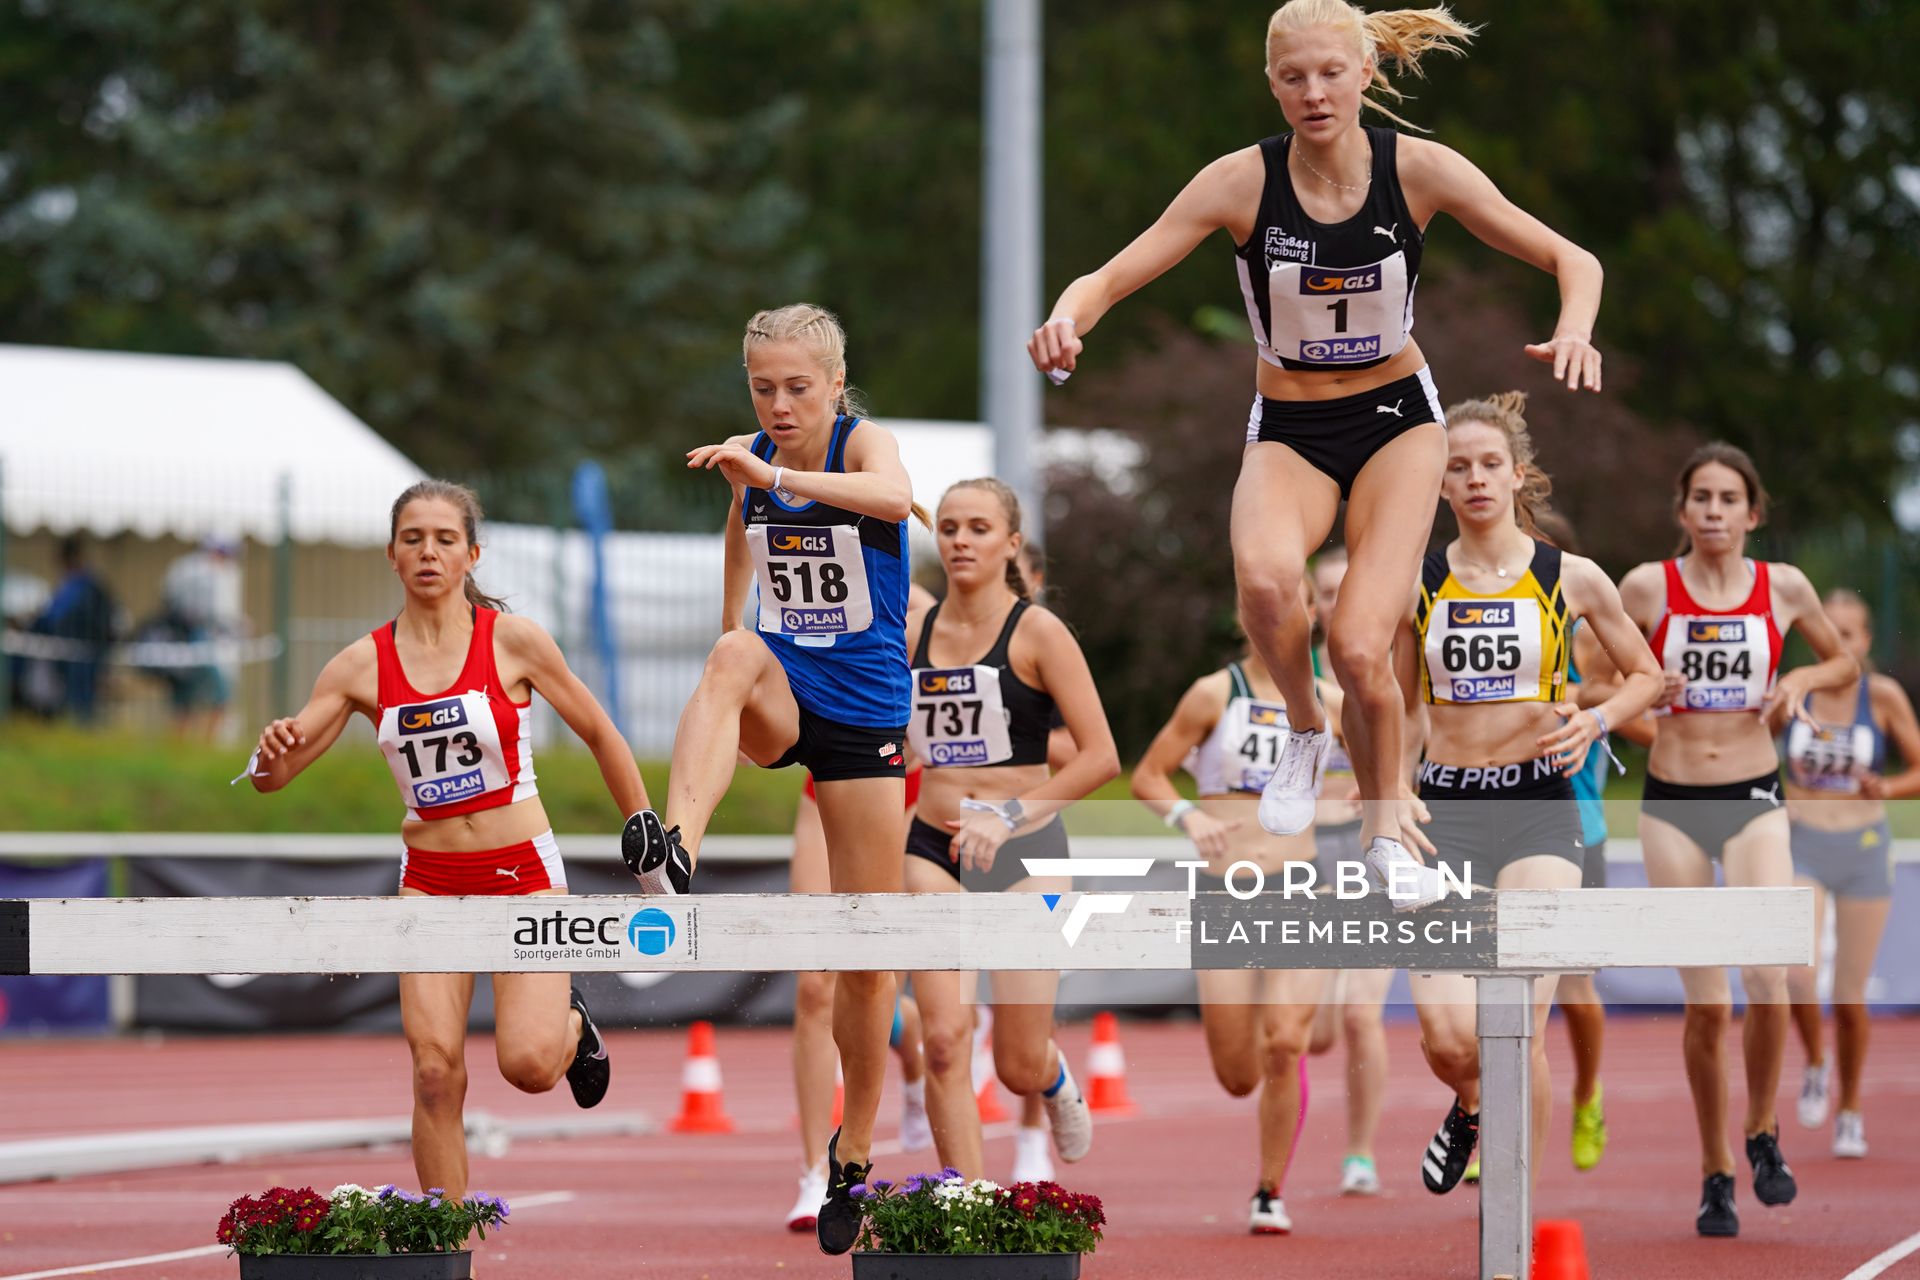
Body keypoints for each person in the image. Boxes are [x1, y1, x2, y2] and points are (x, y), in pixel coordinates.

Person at [1029, 0, 1604, 909]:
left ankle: (1386, 827)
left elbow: (1575, 259)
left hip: (1398, 424)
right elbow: (1111, 274)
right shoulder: (1239, 183)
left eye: (1331, 73)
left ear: (1366, 72)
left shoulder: (1416, 171)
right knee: (1262, 583)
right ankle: (1305, 724)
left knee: (1362, 646)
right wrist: (1068, 318)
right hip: (1291, 424)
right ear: (1271, 86)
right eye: (1293, 77)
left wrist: (1575, 330)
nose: (1313, 93)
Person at [243, 479, 643, 1202]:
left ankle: (572, 1025)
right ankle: (446, 1247)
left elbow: (600, 732)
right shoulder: (360, 665)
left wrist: (645, 826)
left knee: (525, 1067)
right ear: (391, 556)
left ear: (471, 555)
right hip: (430, 882)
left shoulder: (513, 641)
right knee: (434, 1072)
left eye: (445, 539)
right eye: (413, 539)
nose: (428, 552)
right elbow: (280, 774)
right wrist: (270, 757)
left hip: (522, 875)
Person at [624, 303, 920, 1256]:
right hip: (788, 691)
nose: (779, 404)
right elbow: (737, 533)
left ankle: (856, 1149)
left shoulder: (860, 442)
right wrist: (731, 619)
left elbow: (893, 496)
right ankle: (674, 852)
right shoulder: (746, 463)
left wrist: (778, 472)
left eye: (797, 387)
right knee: (730, 655)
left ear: (835, 383)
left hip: (866, 715)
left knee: (868, 963)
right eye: (763, 389)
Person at [1395, 392, 1660, 1200]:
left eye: (1488, 464)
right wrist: (1386, 795)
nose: (1475, 479)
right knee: (1446, 1035)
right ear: (1438, 484)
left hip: (1540, 808)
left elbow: (1648, 674)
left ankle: (1518, 1215)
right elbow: (1402, 712)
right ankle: (1472, 1102)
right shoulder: (1415, 580)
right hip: (1444, 811)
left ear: (1518, 474)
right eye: (1457, 468)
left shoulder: (1571, 577)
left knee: (1521, 1026)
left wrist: (1597, 717)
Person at [1617, 441, 1858, 1238]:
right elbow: (1583, 675)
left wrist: (1798, 680)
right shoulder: (1649, 587)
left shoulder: (1781, 587)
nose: (1715, 512)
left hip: (1754, 794)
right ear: (1682, 512)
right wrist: (1645, 692)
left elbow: (1845, 661)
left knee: (1769, 972)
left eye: (1729, 499)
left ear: (1753, 514)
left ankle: (1762, 1132)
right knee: (1707, 1003)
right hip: (1673, 802)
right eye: (1702, 498)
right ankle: (1715, 1169)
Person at [904, 478, 1120, 1190]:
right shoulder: (914, 632)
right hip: (934, 847)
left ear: (1011, 544)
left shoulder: (1037, 632)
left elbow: (1100, 758)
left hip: (1025, 851)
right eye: (950, 528)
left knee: (1016, 1066)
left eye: (978, 528)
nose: (961, 540)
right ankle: (964, 1196)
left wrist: (1008, 816)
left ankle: (1054, 1077)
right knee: (942, 1041)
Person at [1133, 637, 1325, 1233]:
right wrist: (1188, 815)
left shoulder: (1332, 702)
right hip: (1227, 895)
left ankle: (1269, 1190)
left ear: (1311, 614)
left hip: (1304, 890)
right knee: (1239, 1073)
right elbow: (1149, 775)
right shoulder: (1214, 694)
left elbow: (1388, 761)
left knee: (1285, 1041)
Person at [784, 578, 939, 1234]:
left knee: (870, 971)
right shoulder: (811, 580)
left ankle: (908, 1057)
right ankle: (814, 1173)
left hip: (905, 794)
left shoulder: (920, 606)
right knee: (815, 985)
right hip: (827, 792)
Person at [1783, 589, 1919, 1160]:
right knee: (1796, 973)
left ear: (1865, 641)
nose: (1839, 642)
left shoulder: (1881, 695)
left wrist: (1883, 787)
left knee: (1850, 996)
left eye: (1850, 633)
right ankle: (1815, 1062)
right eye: (1828, 631)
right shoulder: (1795, 688)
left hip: (1863, 847)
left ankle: (1851, 1109)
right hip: (1800, 844)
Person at [1303, 545, 1391, 1196]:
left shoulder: (1385, 666)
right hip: (1304, 859)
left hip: (1368, 852)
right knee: (1318, 1034)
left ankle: (1359, 1153)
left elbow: (1419, 747)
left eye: (1346, 591)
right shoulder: (1282, 674)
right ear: (1309, 606)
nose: (1336, 604)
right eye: (1325, 594)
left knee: (1363, 1014)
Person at [161, 535, 245, 740]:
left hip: (178, 637)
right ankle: (208, 741)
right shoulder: (209, 573)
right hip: (201, 639)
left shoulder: (182, 568)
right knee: (221, 694)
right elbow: (215, 613)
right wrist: (237, 627)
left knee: (184, 698)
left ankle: (179, 743)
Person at [30, 535, 118, 722]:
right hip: (87, 649)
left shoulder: (79, 585)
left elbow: (53, 617)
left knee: (81, 700)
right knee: (82, 699)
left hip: (79, 650)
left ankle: (82, 732)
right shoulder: (88, 582)